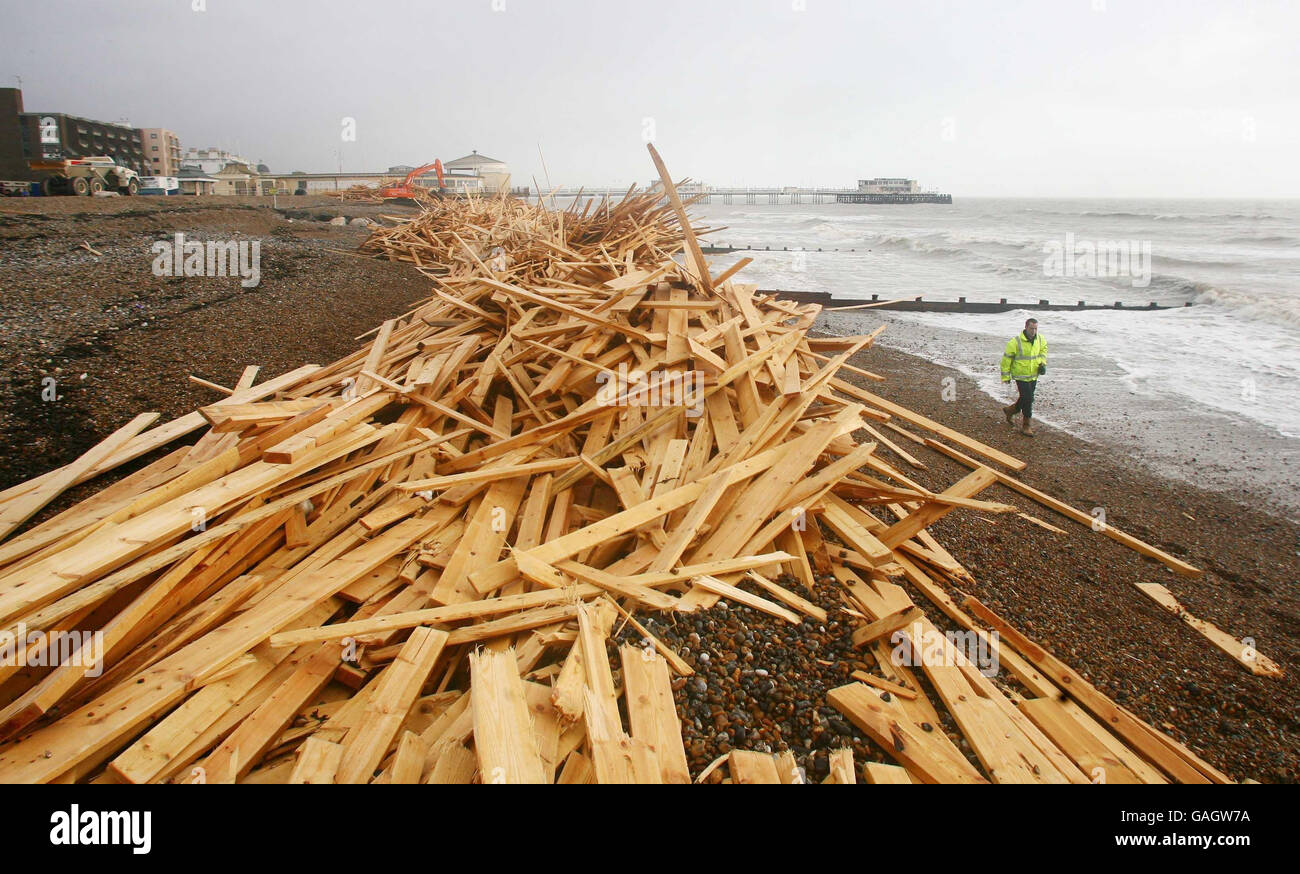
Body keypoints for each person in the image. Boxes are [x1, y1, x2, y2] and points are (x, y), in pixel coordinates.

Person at [1000, 317, 1047, 435]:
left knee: (1026, 398)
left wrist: (1042, 363)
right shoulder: (1015, 342)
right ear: (1026, 327)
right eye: (1031, 328)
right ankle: (1026, 426)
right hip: (1020, 375)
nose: (1034, 331)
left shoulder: (1040, 339)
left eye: (1036, 329)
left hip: (1033, 374)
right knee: (1028, 399)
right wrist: (1006, 377)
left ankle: (1011, 410)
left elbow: (1043, 351)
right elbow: (1006, 359)